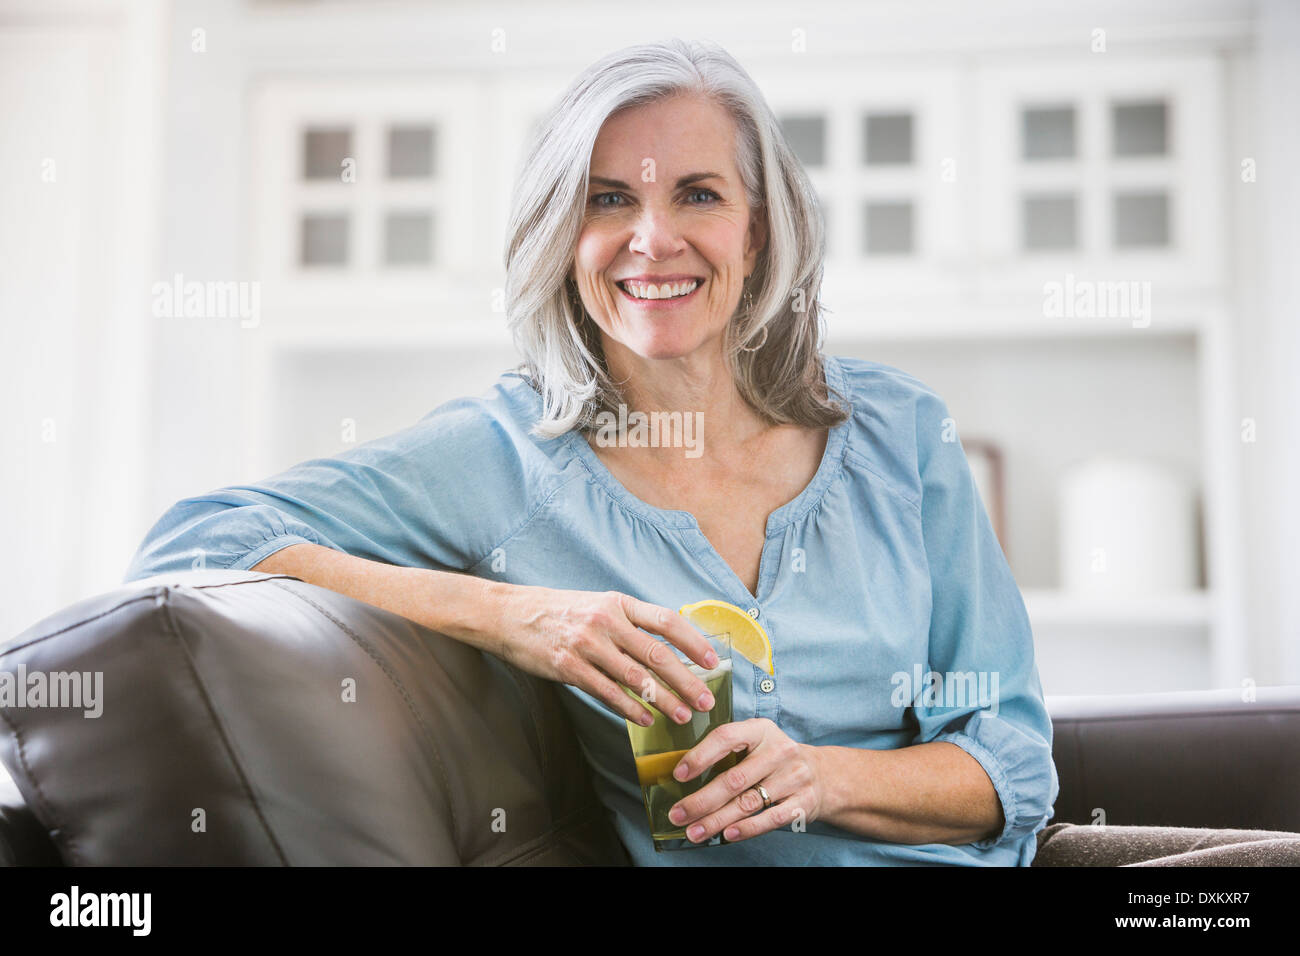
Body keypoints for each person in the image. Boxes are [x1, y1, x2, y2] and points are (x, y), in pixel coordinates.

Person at [124, 38, 1058, 866]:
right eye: (609, 200)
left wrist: (817, 778)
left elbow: (1011, 766)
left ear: (758, 228)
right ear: (564, 237)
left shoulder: (899, 436)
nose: (654, 240)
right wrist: (510, 615)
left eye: (699, 194)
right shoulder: (506, 457)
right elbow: (194, 543)